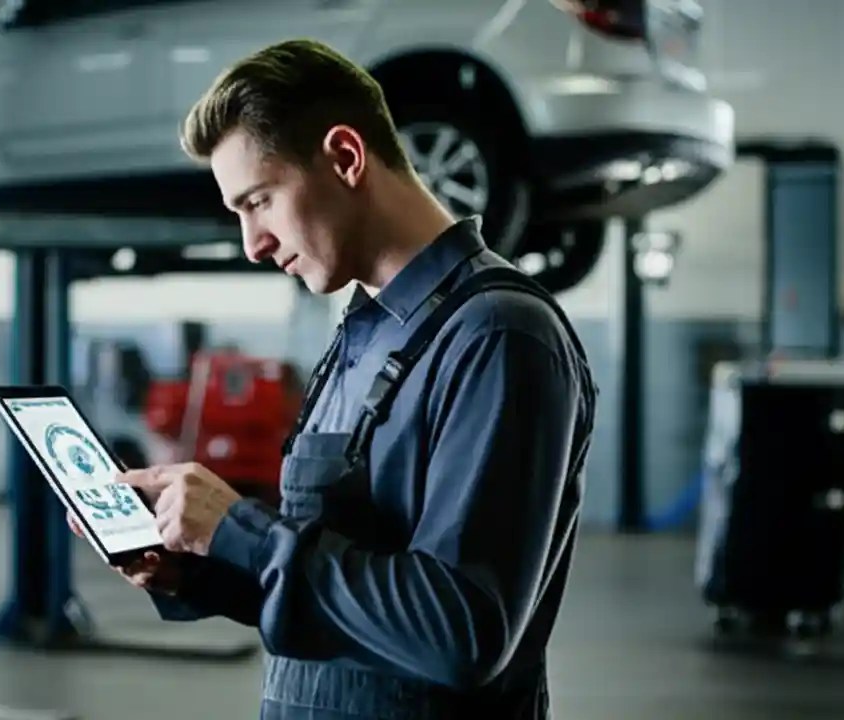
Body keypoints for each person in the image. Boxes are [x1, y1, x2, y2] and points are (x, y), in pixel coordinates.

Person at [68, 38, 597, 719]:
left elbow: (463, 632)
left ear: (345, 158)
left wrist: (240, 530)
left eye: (258, 201)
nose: (251, 243)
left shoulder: (497, 335)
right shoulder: (364, 333)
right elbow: (344, 603)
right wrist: (197, 567)